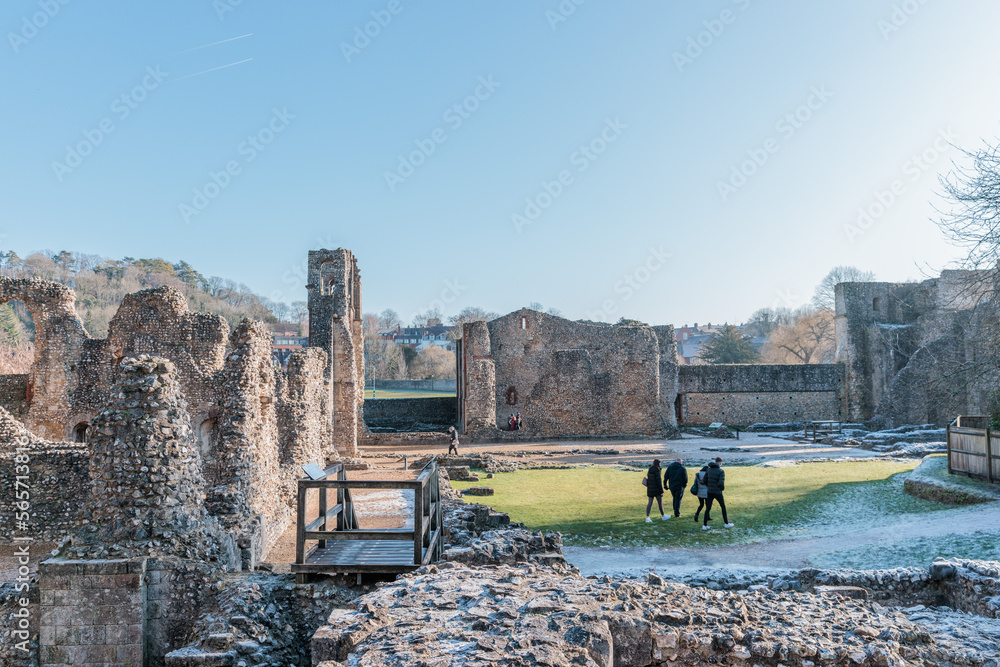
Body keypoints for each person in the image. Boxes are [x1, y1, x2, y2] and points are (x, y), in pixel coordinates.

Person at [702, 457, 734, 530]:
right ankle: (726, 523)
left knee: (708, 508)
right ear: (720, 463)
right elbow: (721, 482)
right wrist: (721, 489)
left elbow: (704, 480)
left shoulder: (708, 470)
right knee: (723, 507)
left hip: (710, 491)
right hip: (717, 492)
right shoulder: (721, 471)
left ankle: (704, 525)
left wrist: (709, 486)